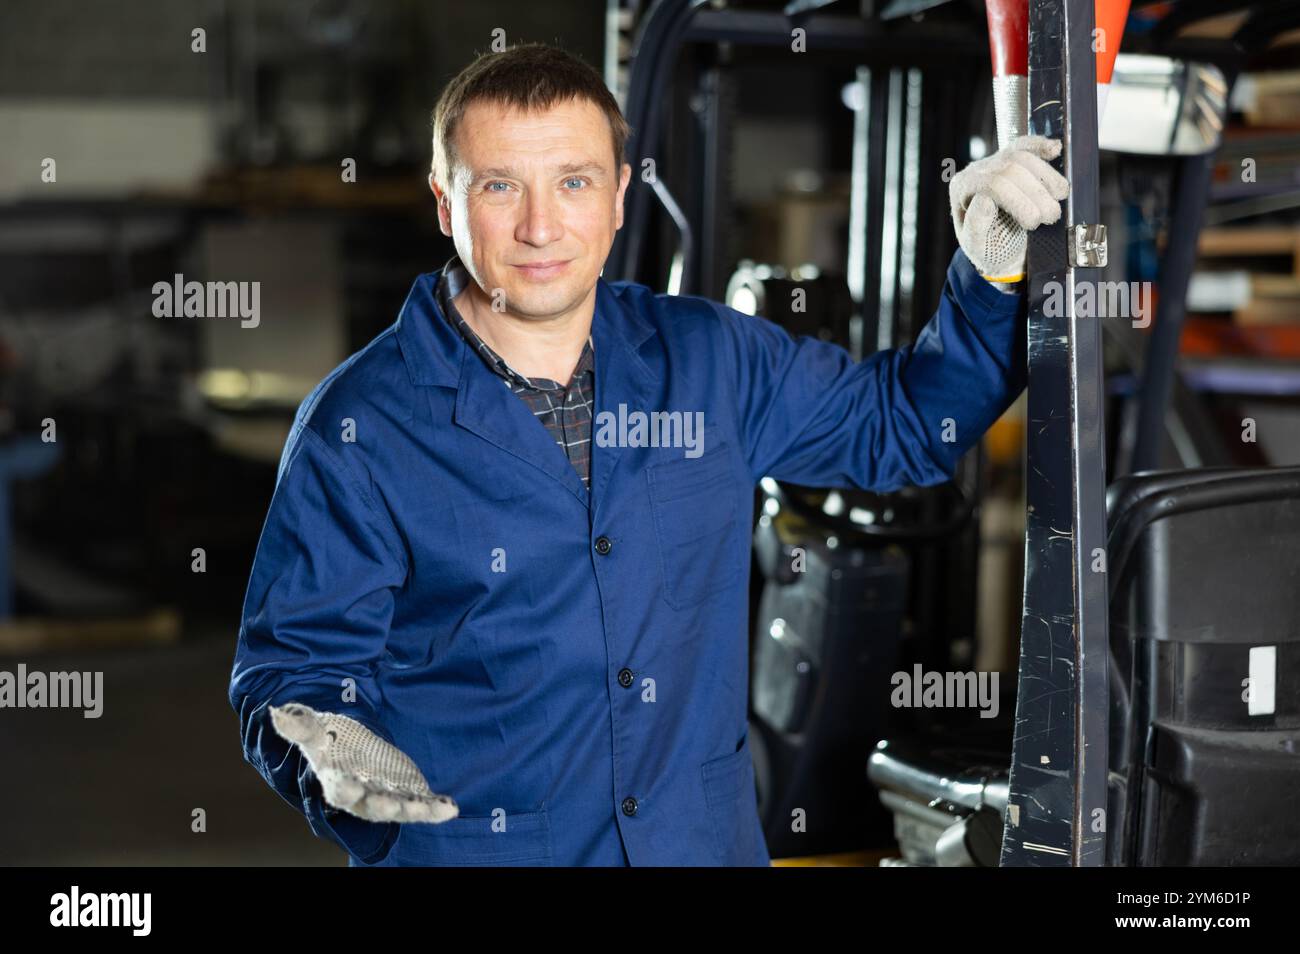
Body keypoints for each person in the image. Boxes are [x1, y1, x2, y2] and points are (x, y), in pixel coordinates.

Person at [228, 41, 1068, 867]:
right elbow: (294, 673)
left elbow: (907, 424)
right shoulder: (361, 425)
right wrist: (328, 746)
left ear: (620, 196)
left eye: (574, 182)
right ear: (447, 204)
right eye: (497, 186)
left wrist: (988, 271)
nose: (539, 225)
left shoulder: (709, 360)